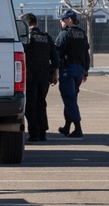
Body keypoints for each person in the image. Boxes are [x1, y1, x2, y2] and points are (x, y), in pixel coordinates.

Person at [22, 13, 58, 142]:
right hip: (44, 76)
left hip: (30, 76)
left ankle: (34, 133)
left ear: (26, 24)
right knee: (41, 104)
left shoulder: (27, 38)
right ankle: (42, 132)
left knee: (30, 106)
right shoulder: (46, 37)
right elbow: (55, 59)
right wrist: (55, 75)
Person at [54, 10, 89, 138]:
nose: (60, 21)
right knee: (72, 98)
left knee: (69, 99)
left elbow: (58, 52)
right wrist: (85, 71)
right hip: (79, 69)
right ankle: (67, 127)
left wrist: (54, 70)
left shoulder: (64, 34)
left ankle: (78, 128)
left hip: (67, 69)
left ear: (69, 20)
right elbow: (86, 54)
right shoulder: (82, 34)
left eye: (62, 19)